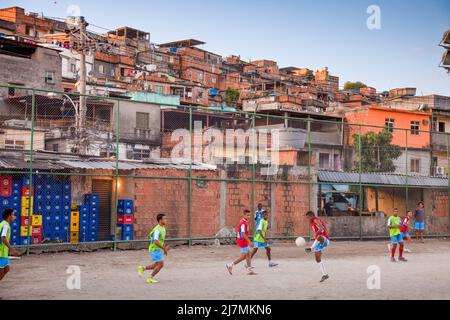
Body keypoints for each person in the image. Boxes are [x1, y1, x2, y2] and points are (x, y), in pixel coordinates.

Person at [138, 213, 170, 284]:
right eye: (164, 219)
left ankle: (142, 268)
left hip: (157, 249)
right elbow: (155, 242)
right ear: (160, 220)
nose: (166, 220)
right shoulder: (157, 230)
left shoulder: (163, 228)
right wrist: (164, 248)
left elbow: (161, 240)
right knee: (160, 264)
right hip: (154, 249)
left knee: (157, 265)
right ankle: (150, 278)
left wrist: (164, 248)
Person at [226, 209, 257, 276]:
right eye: (247, 215)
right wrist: (249, 241)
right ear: (244, 215)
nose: (248, 216)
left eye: (249, 215)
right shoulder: (243, 223)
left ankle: (250, 270)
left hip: (243, 240)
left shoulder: (244, 221)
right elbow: (243, 234)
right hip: (243, 241)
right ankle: (230, 265)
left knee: (248, 254)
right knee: (243, 256)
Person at [305, 211, 330, 283]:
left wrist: (316, 233)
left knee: (318, 237)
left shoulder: (315, 219)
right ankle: (325, 274)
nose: (307, 219)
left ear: (311, 216)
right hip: (319, 242)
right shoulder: (312, 222)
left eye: (308, 218)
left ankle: (311, 248)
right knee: (317, 259)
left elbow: (321, 228)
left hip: (325, 239)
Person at [1, 209, 20, 282]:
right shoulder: (5, 225)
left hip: (4, 252)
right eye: (13, 215)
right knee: (2, 271)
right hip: (1, 252)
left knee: (6, 269)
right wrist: (12, 249)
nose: (14, 216)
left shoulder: (4, 223)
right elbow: (3, 238)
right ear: (9, 216)